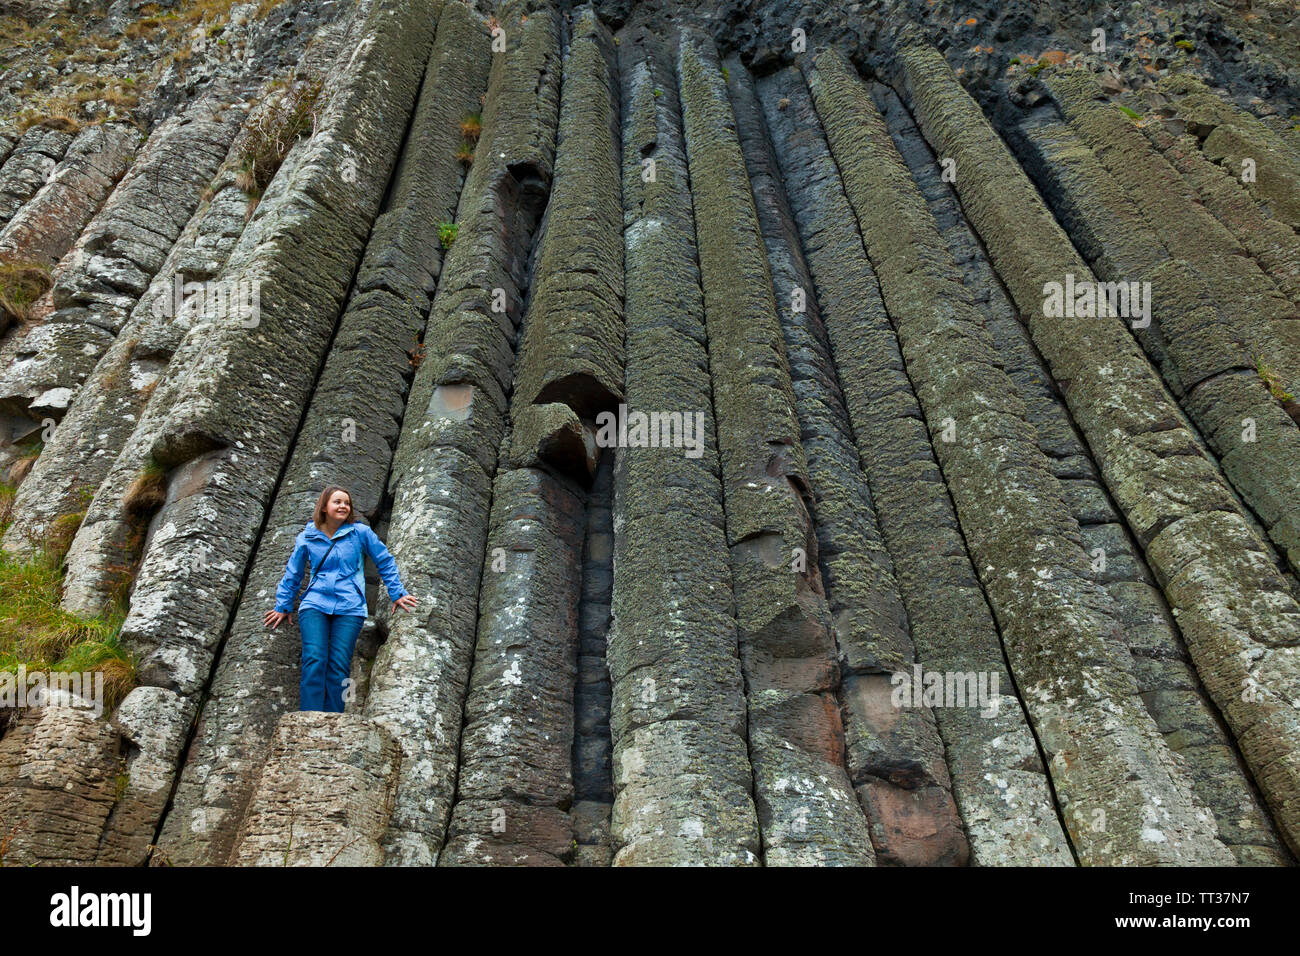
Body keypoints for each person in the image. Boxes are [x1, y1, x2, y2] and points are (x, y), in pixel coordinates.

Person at [264, 485, 417, 712]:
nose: (343, 506)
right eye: (337, 502)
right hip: (314, 604)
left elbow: (384, 560)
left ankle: (332, 718)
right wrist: (283, 605)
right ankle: (309, 717)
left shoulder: (360, 533)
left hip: (350, 608)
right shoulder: (307, 536)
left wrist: (397, 593)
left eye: (347, 503)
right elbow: (293, 573)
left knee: (338, 665)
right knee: (314, 659)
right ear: (324, 507)